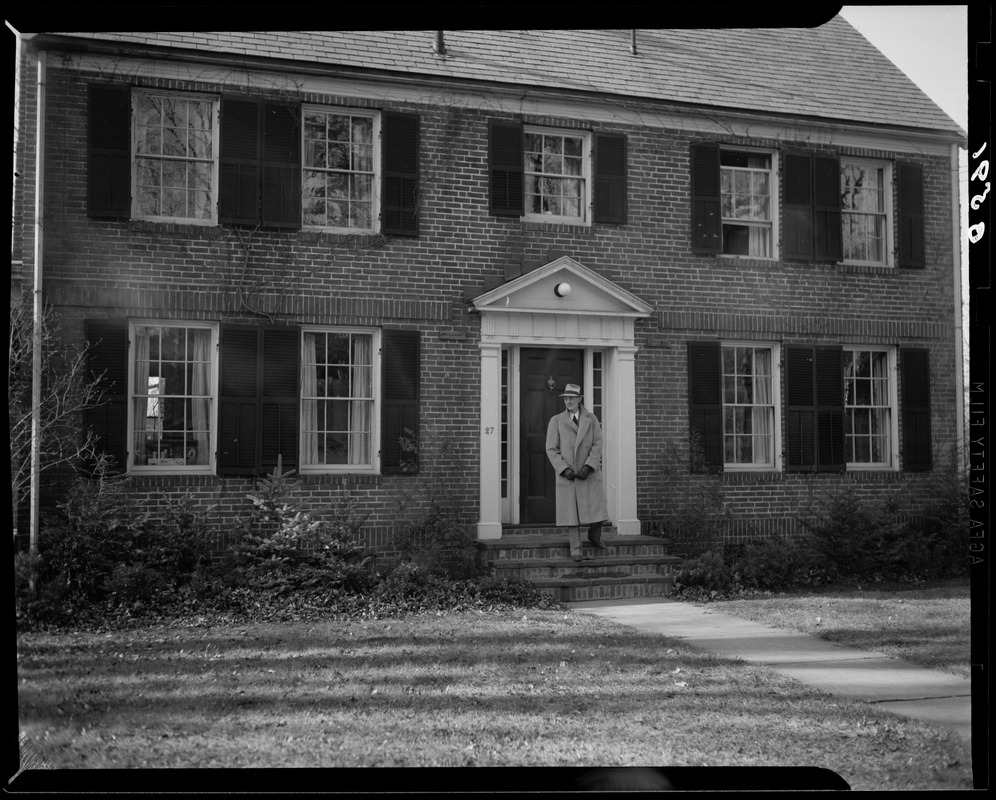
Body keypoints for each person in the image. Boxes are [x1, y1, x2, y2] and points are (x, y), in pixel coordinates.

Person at [545, 383, 610, 561]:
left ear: (579, 399)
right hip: (570, 475)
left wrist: (589, 466)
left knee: (598, 509)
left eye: (572, 398)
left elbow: (598, 443)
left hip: (588, 472)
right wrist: (563, 469)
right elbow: (551, 449)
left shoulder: (591, 419)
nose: (568, 401)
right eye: (566, 398)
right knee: (571, 514)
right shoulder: (556, 421)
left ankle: (594, 536)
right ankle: (576, 548)